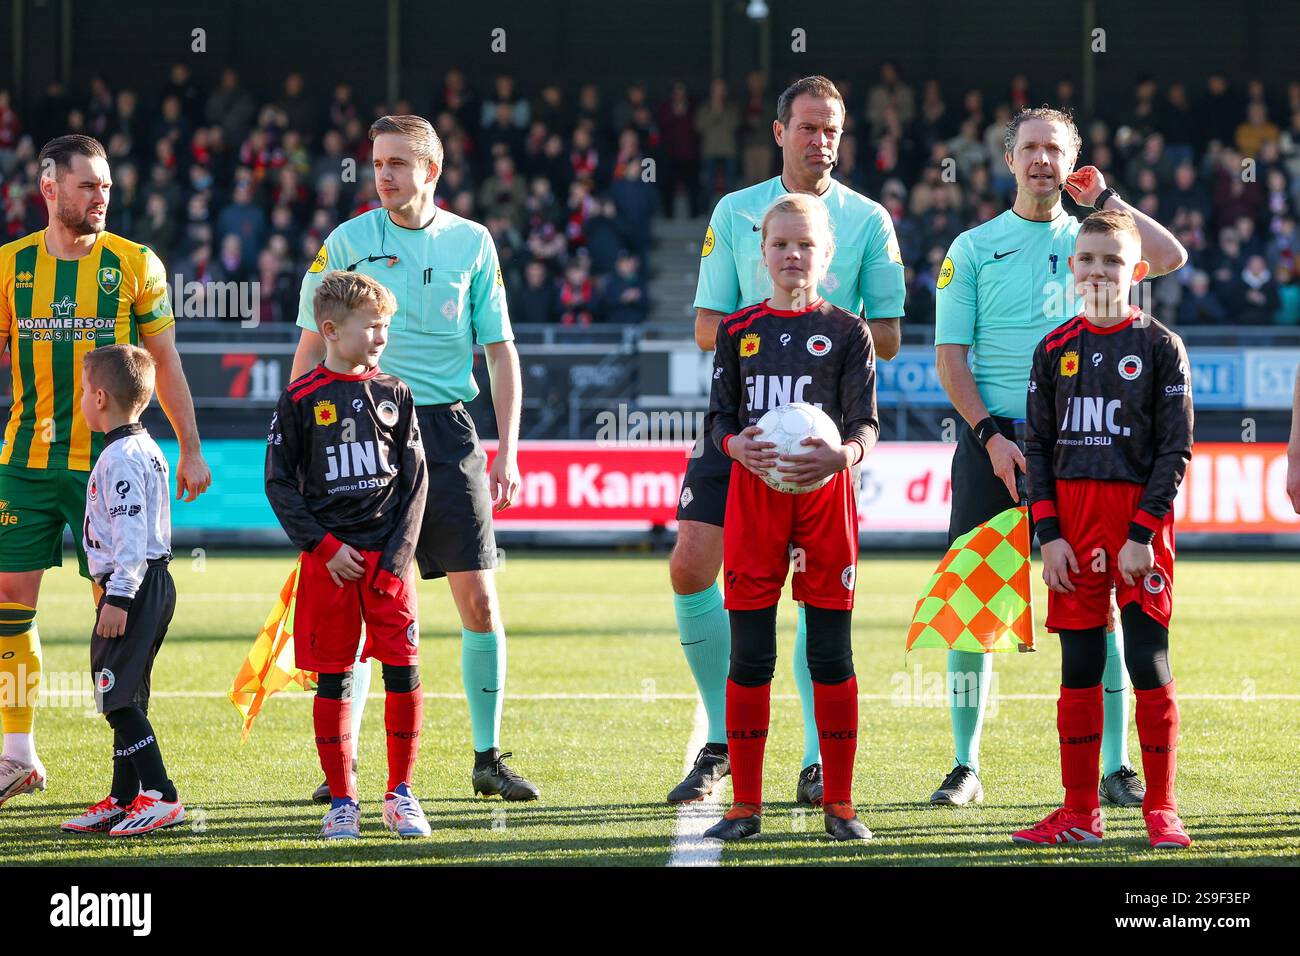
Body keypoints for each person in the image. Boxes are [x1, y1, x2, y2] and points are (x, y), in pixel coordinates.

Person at [931, 107, 1187, 807]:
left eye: (1054, 148)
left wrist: (1104, 199)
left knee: (1092, 601)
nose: (1041, 159)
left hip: (1084, 446)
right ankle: (964, 766)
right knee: (973, 608)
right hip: (996, 442)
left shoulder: (1094, 236)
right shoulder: (975, 246)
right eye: (1030, 148)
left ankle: (1114, 767)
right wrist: (989, 435)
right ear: (1008, 158)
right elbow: (951, 358)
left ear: (1071, 159)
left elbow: (1168, 258)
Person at [669, 75, 903, 807]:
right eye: (807, 127)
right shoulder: (735, 210)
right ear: (779, 132)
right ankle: (721, 740)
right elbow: (708, 325)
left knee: (821, 601)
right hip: (746, 423)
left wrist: (822, 333)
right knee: (690, 567)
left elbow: (889, 338)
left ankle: (812, 761)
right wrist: (770, 327)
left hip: (820, 434)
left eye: (831, 129)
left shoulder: (871, 220)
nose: (820, 140)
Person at [291, 115, 538, 803]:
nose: (384, 174)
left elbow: (500, 351)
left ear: (432, 171)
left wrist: (508, 449)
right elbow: (312, 342)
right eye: (377, 162)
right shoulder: (346, 240)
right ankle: (342, 765)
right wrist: (303, 425)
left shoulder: (472, 242)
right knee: (363, 595)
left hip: (449, 431)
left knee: (479, 599)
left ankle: (487, 757)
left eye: (399, 162)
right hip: (362, 426)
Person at [0, 134, 210, 808]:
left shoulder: (134, 263)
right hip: (25, 464)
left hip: (109, 468)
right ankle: (16, 756)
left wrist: (192, 446)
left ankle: (130, 781)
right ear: (50, 188)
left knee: (116, 620)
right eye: (86, 185)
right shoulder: (9, 266)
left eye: (106, 188)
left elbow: (166, 359)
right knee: (7, 604)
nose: (99, 199)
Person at [702, 193, 878, 842]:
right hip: (754, 495)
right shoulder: (738, 330)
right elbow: (719, 416)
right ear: (763, 253)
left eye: (805, 244)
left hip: (826, 496)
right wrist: (732, 445)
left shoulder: (850, 331)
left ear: (827, 255)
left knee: (831, 653)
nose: (792, 255)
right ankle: (744, 806)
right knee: (751, 657)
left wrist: (845, 453)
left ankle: (840, 806)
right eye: (780, 245)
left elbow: (865, 422)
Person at [1016, 209, 1193, 849]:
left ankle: (1162, 809)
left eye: (1112, 262)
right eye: (1086, 260)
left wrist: (1142, 535)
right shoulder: (1054, 349)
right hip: (1072, 525)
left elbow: (1175, 451)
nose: (1097, 271)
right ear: (1069, 268)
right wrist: (1050, 535)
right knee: (1080, 666)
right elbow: (1036, 450)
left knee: (1147, 661)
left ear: (1136, 272)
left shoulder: (1160, 346)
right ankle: (1079, 812)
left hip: (1138, 527)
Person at [267, 271, 430, 840]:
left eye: (387, 326)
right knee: (333, 679)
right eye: (373, 327)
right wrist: (325, 547)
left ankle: (401, 793)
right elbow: (280, 484)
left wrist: (398, 557)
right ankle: (341, 801)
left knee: (403, 671)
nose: (382, 336)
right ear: (331, 330)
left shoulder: (397, 393)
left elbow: (416, 484)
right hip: (329, 566)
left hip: (387, 564)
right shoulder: (299, 399)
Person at [59, 345, 184, 835]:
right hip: (144, 583)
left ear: (102, 396)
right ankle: (123, 796)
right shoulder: (143, 446)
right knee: (127, 691)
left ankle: (161, 794)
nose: (82, 401)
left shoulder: (122, 457)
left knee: (115, 696)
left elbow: (132, 536)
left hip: (134, 587)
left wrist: (119, 597)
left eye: (84, 392)